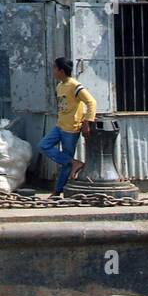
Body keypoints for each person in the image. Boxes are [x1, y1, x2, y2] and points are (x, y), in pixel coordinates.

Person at [37, 57, 97, 198]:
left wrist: (87, 122)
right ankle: (74, 162)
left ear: (61, 71)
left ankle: (58, 191)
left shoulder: (75, 86)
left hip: (71, 129)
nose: (53, 71)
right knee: (43, 145)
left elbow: (91, 102)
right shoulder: (60, 86)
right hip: (60, 126)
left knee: (66, 165)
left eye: (54, 68)